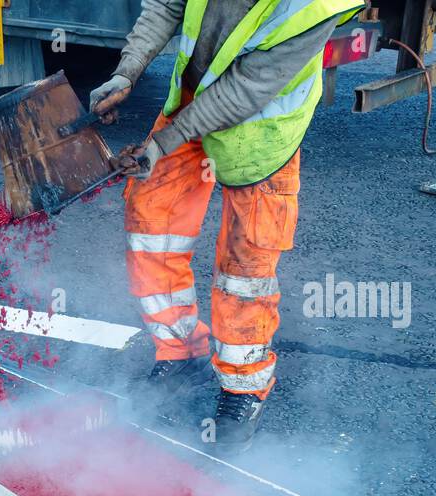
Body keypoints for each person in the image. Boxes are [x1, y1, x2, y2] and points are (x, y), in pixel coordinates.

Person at [90, 0, 362, 450]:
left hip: (261, 131)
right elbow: (167, 4)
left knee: (245, 269)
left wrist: (164, 141)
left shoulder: (314, 6)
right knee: (151, 221)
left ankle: (243, 389)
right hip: (193, 105)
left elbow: (247, 87)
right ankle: (181, 354)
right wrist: (127, 71)